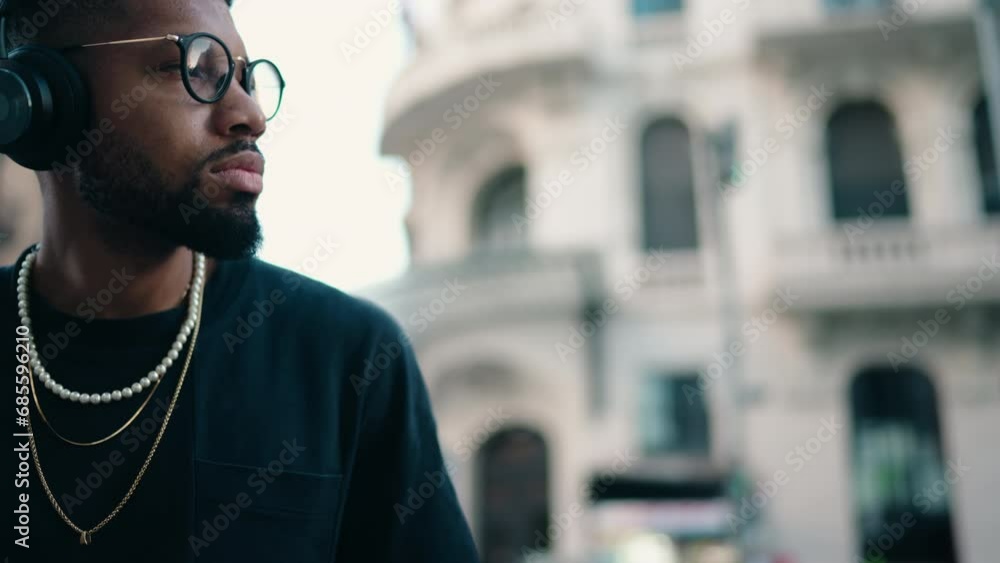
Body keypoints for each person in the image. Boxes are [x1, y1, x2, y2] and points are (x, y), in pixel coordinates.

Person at [0, 0, 479, 561]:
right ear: (46, 99)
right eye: (197, 69)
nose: (251, 113)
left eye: (247, 78)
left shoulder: (347, 358)